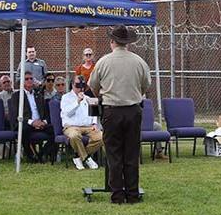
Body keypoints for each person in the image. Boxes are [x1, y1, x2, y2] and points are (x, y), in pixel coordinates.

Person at [89, 25, 152, 204]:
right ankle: (132, 194)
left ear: (112, 42)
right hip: (133, 110)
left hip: (111, 111)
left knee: (113, 154)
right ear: (128, 43)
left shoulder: (103, 62)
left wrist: (103, 95)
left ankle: (117, 194)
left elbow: (93, 85)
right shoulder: (139, 62)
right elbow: (146, 85)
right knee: (131, 153)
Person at [9, 71, 54, 163]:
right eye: (26, 79)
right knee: (23, 130)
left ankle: (42, 153)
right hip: (26, 123)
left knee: (55, 130)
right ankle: (31, 155)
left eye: (31, 78)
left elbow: (46, 113)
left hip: (40, 123)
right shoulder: (16, 96)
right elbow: (16, 115)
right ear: (22, 82)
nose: (29, 80)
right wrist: (32, 122)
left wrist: (43, 122)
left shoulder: (39, 95)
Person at [60, 75, 103, 170]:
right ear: (72, 85)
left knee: (102, 137)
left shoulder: (88, 98)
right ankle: (86, 158)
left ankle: (79, 157)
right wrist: (77, 101)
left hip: (88, 126)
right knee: (74, 136)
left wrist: (94, 123)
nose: (80, 88)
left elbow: (94, 113)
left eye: (83, 85)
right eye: (78, 85)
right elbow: (67, 113)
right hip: (71, 126)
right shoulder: (65, 97)